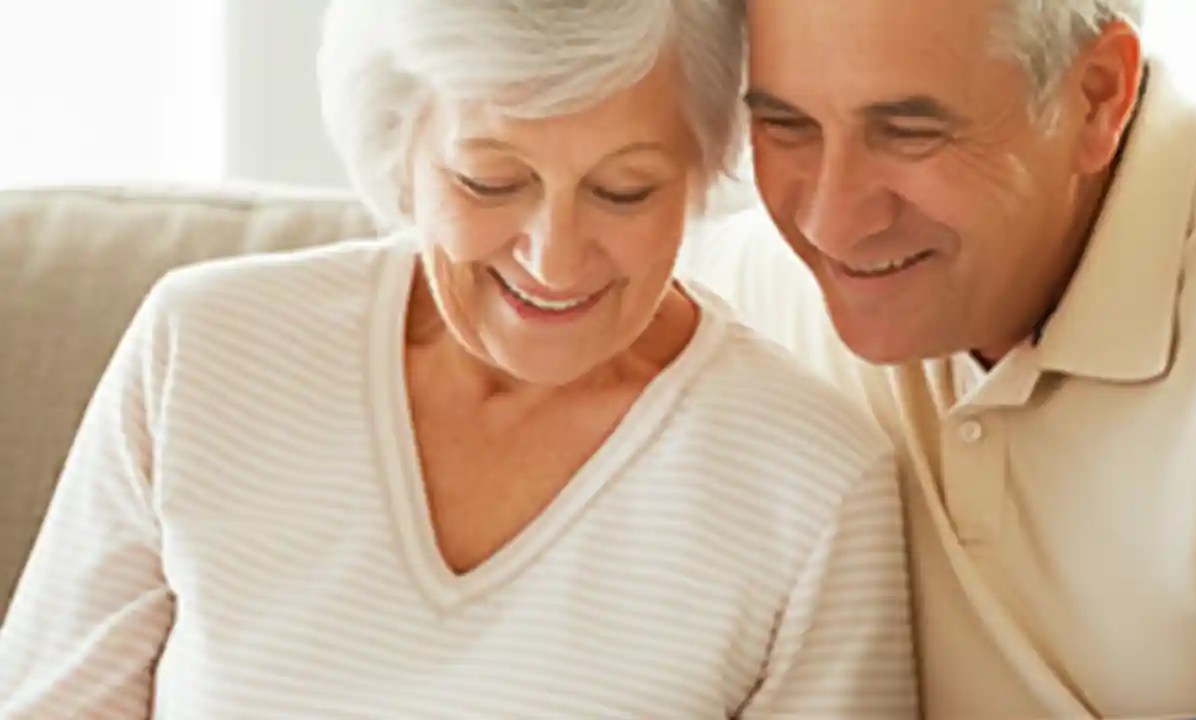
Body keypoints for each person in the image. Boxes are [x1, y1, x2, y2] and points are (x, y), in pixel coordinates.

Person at [0, 1, 918, 718]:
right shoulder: (201, 350)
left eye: (624, 190)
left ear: (704, 169)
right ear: (401, 151)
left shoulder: (814, 483)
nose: (555, 258)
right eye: (491, 180)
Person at [682, 0, 1196, 717]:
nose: (830, 223)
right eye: (786, 126)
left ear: (1095, 98)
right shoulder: (735, 302)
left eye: (909, 132)